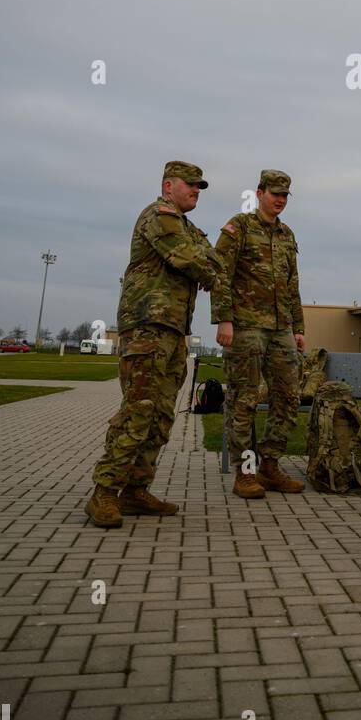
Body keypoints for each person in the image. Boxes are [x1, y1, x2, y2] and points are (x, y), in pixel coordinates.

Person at [85, 161, 222, 528]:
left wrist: (209, 264)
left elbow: (213, 260)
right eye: (190, 185)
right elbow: (195, 261)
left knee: (162, 415)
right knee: (139, 409)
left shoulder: (188, 227)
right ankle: (103, 492)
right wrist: (207, 266)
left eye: (199, 187)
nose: (196, 191)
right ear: (168, 185)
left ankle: (134, 490)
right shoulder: (158, 216)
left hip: (175, 330)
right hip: (147, 327)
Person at [211, 170, 306, 498]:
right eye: (274, 193)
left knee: (288, 396)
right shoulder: (239, 227)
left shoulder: (287, 235)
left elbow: (292, 284)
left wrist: (298, 328)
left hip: (281, 329)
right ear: (260, 193)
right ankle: (245, 473)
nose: (279, 199)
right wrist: (224, 319)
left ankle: (270, 467)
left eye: (285, 195)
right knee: (245, 399)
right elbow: (218, 272)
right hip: (246, 327)